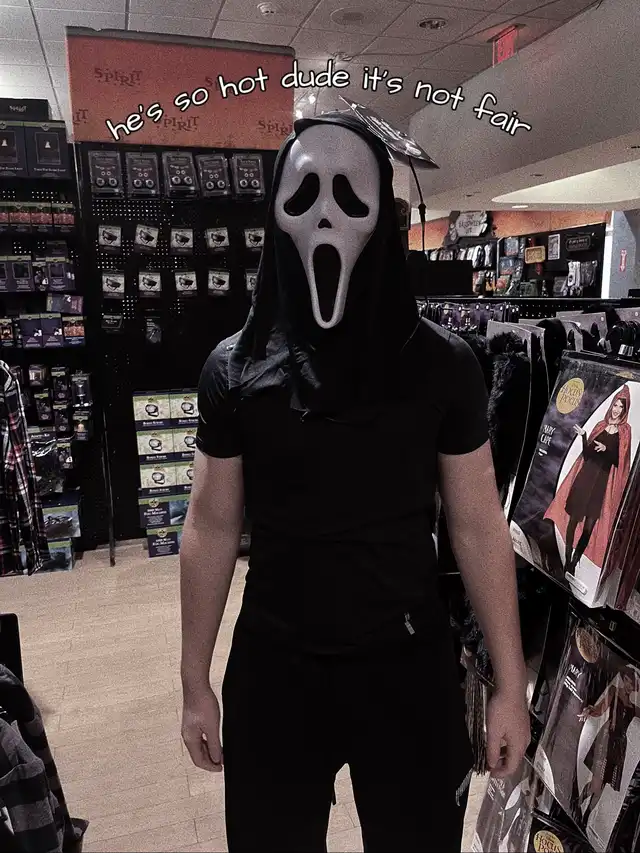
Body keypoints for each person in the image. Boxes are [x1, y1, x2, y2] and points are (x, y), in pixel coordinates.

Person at [179, 111, 530, 853]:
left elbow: (476, 524)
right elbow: (210, 524)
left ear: (382, 215)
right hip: (276, 664)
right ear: (277, 211)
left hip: (406, 663)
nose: (327, 217)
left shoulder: (443, 366)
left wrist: (510, 682)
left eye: (348, 196)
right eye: (305, 195)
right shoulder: (234, 369)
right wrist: (193, 680)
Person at [545, 387, 632, 576]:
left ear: (625, 410)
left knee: (589, 527)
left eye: (621, 407)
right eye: (615, 405)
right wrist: (584, 437)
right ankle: (567, 560)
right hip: (584, 480)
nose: (616, 409)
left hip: (600, 486)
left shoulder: (625, 432)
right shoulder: (600, 426)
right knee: (573, 521)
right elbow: (586, 455)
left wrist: (607, 449)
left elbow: (621, 462)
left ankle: (574, 562)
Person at [577, 665, 640, 824]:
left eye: (633, 684)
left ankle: (584, 820)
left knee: (602, 785)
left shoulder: (634, 708)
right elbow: (600, 710)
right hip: (606, 739)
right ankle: (576, 806)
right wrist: (590, 710)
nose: (629, 685)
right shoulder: (614, 691)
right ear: (624, 679)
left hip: (618, 747)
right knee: (596, 785)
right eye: (628, 681)